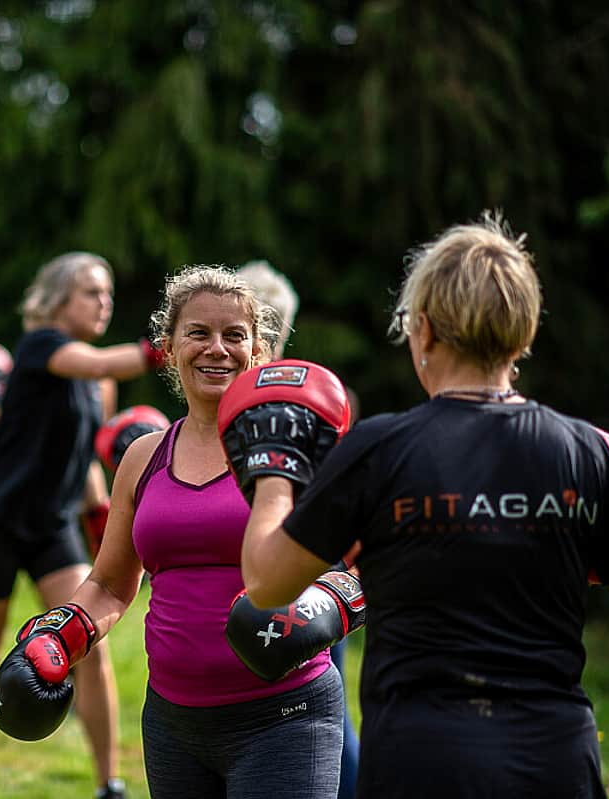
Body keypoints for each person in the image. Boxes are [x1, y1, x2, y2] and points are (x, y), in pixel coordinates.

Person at [227, 212, 609, 798]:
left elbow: (265, 584)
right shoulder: (587, 452)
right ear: (524, 336)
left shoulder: (378, 449)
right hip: (555, 756)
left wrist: (273, 469)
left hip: (422, 756)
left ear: (423, 331)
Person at [0, 265, 351, 799]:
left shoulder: (293, 449)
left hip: (286, 716)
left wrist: (325, 606)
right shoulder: (142, 457)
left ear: (257, 350)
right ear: (169, 346)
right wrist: (62, 631)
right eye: (199, 333)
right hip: (173, 724)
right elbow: (110, 584)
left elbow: (362, 563)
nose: (217, 349)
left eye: (234, 336)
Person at [0, 251, 163, 799]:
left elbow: (83, 458)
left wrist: (103, 517)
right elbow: (102, 363)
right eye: (90, 293)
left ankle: (109, 783)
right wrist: (168, 345)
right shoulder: (41, 348)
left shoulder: (95, 381)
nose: (104, 302)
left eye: (107, 292)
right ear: (57, 299)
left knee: (89, 644)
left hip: (52, 524)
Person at [234, 258, 360, 799]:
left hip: (298, 575)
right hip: (322, 572)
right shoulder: (319, 398)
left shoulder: (269, 408)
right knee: (333, 705)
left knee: (318, 701)